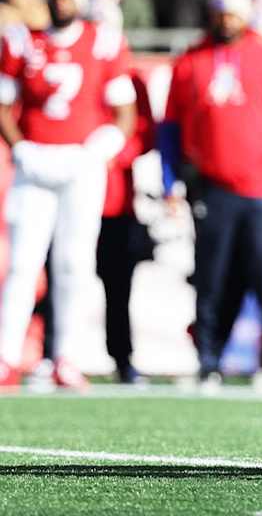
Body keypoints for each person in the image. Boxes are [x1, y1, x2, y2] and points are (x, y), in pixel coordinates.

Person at [158, 0, 262, 390]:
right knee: (212, 277)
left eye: (234, 12)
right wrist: (169, 181)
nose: (228, 19)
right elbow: (169, 129)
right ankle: (208, 358)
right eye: (221, 11)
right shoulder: (190, 62)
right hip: (212, 186)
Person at [0, 0, 137, 389]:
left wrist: (103, 148)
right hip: (36, 161)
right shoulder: (22, 41)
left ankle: (67, 357)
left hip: (80, 165)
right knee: (23, 264)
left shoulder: (104, 42)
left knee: (74, 265)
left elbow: (125, 113)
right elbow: (4, 103)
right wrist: (20, 146)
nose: (61, 1)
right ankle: (6, 355)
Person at [96, 70, 156, 385]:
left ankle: (122, 357)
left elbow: (144, 131)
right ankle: (50, 355)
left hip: (114, 199)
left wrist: (110, 155)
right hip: (58, 194)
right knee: (52, 277)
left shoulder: (128, 78)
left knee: (118, 286)